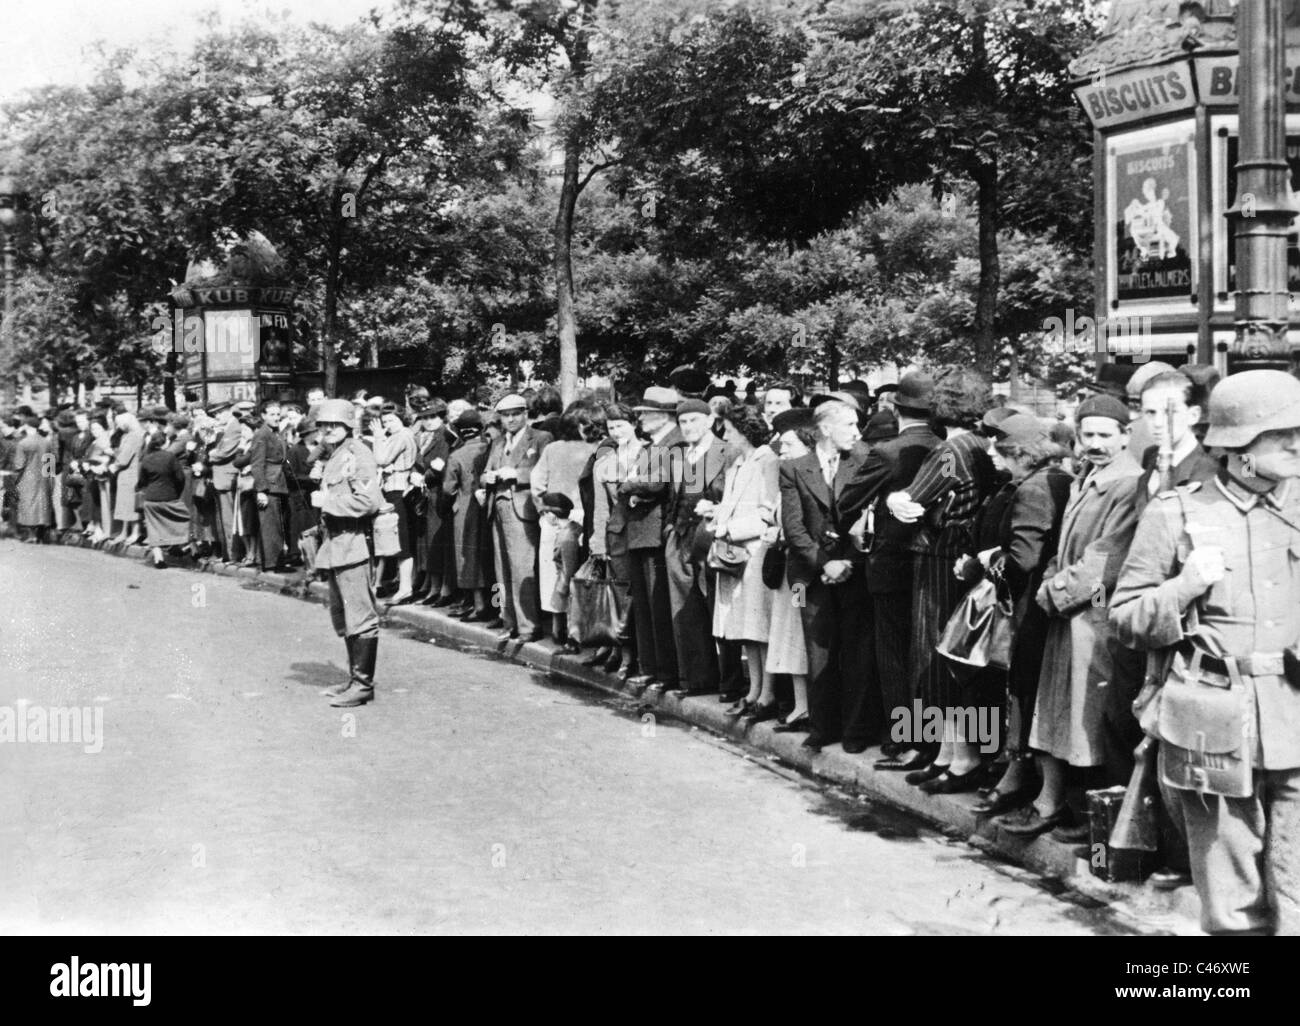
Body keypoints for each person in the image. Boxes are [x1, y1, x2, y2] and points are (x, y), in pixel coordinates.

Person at [1110, 370, 1300, 936]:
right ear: (1239, 447)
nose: (1296, 444)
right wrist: (1184, 586)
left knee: (1295, 883)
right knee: (1228, 894)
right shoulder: (1175, 512)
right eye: (1281, 434)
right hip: (1212, 720)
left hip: (1295, 712)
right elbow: (1126, 618)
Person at [999, 393, 1143, 838]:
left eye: (1106, 435)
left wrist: (1055, 592)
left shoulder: (1127, 485)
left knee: (1092, 715)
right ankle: (1060, 805)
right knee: (1062, 710)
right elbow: (1062, 550)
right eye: (1088, 435)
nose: (1095, 443)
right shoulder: (1087, 477)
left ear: (1124, 436)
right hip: (1067, 612)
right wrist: (1050, 583)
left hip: (1095, 614)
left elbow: (1106, 562)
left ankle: (1092, 818)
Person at [885, 367, 997, 788]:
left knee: (935, 655)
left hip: (939, 557)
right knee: (962, 658)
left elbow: (912, 503)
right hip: (969, 559)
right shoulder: (983, 443)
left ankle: (949, 753)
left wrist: (897, 498)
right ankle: (952, 753)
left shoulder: (950, 451)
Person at [839, 370, 943, 765]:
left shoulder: (887, 452)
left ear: (896, 411)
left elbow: (846, 501)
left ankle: (903, 738)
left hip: (891, 562)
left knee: (894, 653)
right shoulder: (947, 447)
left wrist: (877, 504)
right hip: (937, 565)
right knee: (930, 653)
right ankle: (928, 738)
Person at [971, 415, 1073, 816]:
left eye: (1003, 449)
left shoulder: (1031, 489)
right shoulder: (1060, 479)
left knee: (1023, 685)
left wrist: (988, 561)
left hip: (1030, 603)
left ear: (1022, 454)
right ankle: (1021, 774)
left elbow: (1023, 557)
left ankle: (1018, 775)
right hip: (1049, 601)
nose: (994, 454)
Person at [779, 399, 870, 752]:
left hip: (852, 570)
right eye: (850, 425)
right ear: (827, 428)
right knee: (817, 649)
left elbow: (865, 517)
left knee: (856, 651)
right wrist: (824, 563)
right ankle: (823, 727)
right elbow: (794, 527)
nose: (857, 433)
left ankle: (856, 731)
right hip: (807, 576)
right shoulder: (793, 468)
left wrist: (846, 561)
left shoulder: (862, 462)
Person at [710, 404, 781, 720]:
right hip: (734, 552)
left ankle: (767, 694)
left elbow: (768, 511)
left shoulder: (767, 461)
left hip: (754, 552)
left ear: (743, 430)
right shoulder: (739, 462)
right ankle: (754, 690)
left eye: (728, 429)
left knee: (759, 626)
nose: (724, 435)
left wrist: (729, 529)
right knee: (744, 627)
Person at [311, 399, 383, 708]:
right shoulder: (337, 454)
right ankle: (355, 679)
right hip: (336, 543)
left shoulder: (358, 454)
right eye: (323, 425)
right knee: (343, 615)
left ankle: (363, 686)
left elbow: (368, 502)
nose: (327, 430)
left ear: (347, 426)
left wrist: (325, 503)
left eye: (334, 425)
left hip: (353, 543)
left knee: (360, 616)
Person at [662, 397, 735, 695]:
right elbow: (671, 496)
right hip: (680, 536)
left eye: (694, 421)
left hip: (713, 536)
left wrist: (715, 508)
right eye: (683, 422)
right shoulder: (678, 454)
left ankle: (730, 682)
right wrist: (670, 528)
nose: (688, 427)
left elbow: (734, 493)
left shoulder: (726, 452)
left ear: (708, 421)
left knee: (718, 606)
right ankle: (697, 679)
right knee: (686, 609)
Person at [620, 386, 683, 691]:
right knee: (645, 604)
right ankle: (652, 667)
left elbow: (658, 484)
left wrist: (631, 486)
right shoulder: (653, 445)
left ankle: (665, 672)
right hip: (642, 531)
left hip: (656, 533)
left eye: (646, 414)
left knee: (658, 606)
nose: (640, 419)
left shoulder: (675, 443)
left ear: (664, 415)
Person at [483, 394, 552, 641]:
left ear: (525, 414)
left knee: (522, 569)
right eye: (505, 415)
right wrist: (487, 479)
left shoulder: (541, 438)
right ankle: (507, 621)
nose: (510, 419)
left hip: (523, 510)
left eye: (515, 414)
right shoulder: (498, 442)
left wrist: (517, 473)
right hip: (498, 507)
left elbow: (545, 471)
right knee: (500, 570)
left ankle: (528, 626)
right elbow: (486, 472)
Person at [766, 408, 819, 730]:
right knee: (791, 635)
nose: (781, 450)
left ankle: (807, 707)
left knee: (801, 635)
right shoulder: (788, 475)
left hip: (801, 577)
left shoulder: (805, 477)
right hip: (790, 576)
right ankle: (800, 705)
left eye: (788, 444)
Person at [531, 404, 599, 644]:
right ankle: (579, 628)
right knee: (583, 574)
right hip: (586, 517)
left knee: (554, 572)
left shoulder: (552, 449)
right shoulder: (598, 448)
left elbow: (537, 483)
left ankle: (558, 625)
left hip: (555, 516)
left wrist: (542, 509)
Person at [588, 401, 644, 674]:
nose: (617, 431)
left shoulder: (649, 454)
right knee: (619, 596)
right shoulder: (605, 463)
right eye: (612, 427)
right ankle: (622, 653)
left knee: (641, 597)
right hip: (618, 536)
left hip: (645, 533)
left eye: (621, 425)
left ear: (633, 424)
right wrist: (599, 542)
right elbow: (601, 508)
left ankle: (643, 657)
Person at [442, 409, 494, 621]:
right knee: (492, 558)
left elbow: (448, 488)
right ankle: (496, 605)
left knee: (469, 558)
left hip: (465, 510)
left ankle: (479, 605)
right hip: (490, 508)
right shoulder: (490, 449)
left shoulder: (457, 455)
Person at [373, 403, 420, 603]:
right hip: (395, 489)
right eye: (384, 422)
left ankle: (406, 588)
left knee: (401, 541)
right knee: (399, 540)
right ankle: (404, 584)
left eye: (391, 420)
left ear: (402, 419)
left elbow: (381, 458)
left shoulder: (401, 436)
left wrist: (377, 437)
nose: (387, 425)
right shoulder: (399, 436)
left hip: (397, 490)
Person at [135, 406, 190, 569]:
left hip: (151, 499)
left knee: (153, 528)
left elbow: (142, 481)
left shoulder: (146, 459)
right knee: (182, 519)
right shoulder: (170, 457)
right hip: (169, 497)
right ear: (165, 442)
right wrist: (176, 491)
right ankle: (181, 545)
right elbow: (180, 478)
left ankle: (159, 559)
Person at [248, 400, 291, 572]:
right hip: (269, 485)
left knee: (278, 524)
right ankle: (273, 563)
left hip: (279, 483)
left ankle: (277, 560)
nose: (276, 417)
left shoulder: (276, 433)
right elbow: (257, 464)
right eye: (272, 414)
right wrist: (261, 490)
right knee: (270, 525)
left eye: (278, 414)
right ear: (263, 416)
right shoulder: (262, 435)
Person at [206, 401, 243, 561]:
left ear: (228, 411)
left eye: (219, 413)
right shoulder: (228, 428)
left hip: (227, 477)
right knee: (224, 518)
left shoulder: (234, 428)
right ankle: (229, 553)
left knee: (229, 518)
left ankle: (233, 554)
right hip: (222, 477)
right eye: (215, 414)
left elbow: (224, 453)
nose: (217, 416)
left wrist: (211, 454)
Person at [11, 416, 55, 542]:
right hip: (44, 477)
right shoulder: (46, 441)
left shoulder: (23, 443)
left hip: (28, 477)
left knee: (28, 504)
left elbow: (19, 464)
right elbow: (50, 463)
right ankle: (40, 535)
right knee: (42, 504)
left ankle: (32, 535)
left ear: (26, 426)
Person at [108, 410, 145, 546]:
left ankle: (135, 532)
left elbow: (124, 458)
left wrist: (115, 463)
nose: (118, 426)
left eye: (120, 424)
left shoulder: (133, 436)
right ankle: (124, 532)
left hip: (130, 473)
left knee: (131, 505)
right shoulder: (128, 435)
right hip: (125, 474)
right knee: (125, 505)